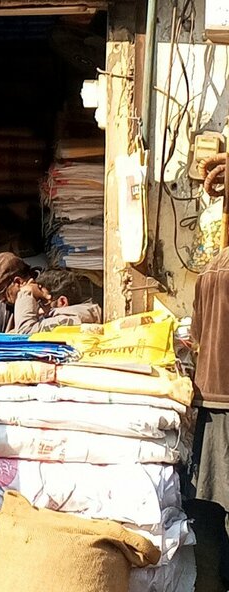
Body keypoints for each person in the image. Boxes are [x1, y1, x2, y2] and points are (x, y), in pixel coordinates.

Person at [184, 247, 229, 587]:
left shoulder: (212, 267)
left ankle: (210, 581)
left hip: (211, 399)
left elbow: (197, 336)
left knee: (209, 503)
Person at [12, 267, 101, 334]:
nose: (39, 311)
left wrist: (25, 292)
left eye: (43, 302)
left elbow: (25, 333)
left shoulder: (73, 319)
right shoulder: (74, 315)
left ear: (62, 302)